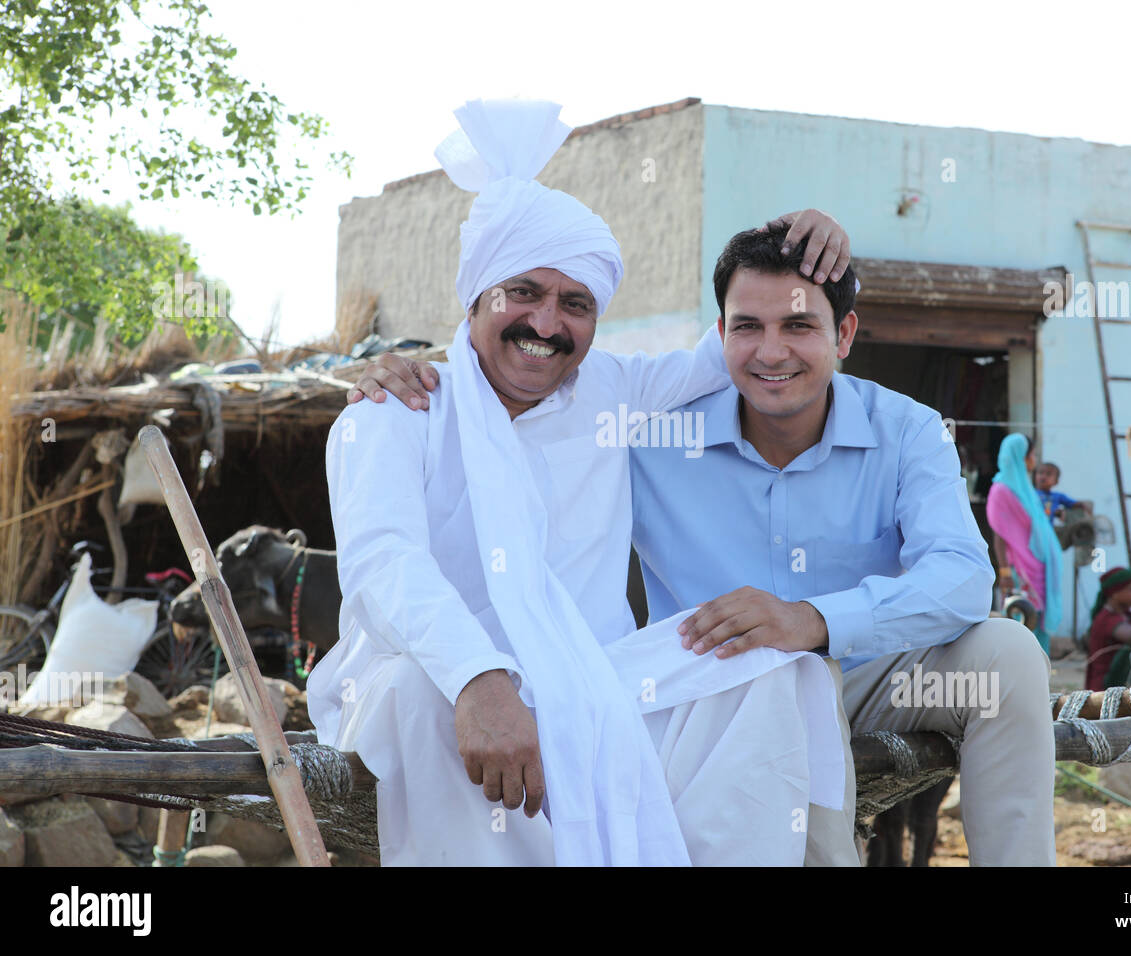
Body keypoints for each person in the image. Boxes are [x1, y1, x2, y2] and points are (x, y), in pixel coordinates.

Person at [362, 224, 1058, 865]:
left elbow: (964, 578)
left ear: (844, 334)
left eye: (799, 326)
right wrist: (427, 377)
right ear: (718, 333)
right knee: (773, 685)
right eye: (748, 326)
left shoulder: (907, 430)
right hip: (710, 698)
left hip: (874, 677)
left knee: (1006, 655)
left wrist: (813, 621)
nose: (772, 351)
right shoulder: (645, 435)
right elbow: (524, 412)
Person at [307, 99, 854, 866]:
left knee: (767, 667)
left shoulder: (608, 393)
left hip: (595, 680)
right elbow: (385, 564)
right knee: (413, 694)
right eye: (521, 292)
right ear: (477, 298)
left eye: (575, 304)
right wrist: (479, 678)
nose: (546, 322)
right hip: (437, 681)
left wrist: (802, 239)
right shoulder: (397, 411)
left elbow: (731, 346)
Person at [986, 433, 1062, 654]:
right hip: (1018, 571)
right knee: (1020, 622)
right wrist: (1005, 572)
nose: (1034, 458)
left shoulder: (1025, 489)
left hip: (1038, 569)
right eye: (1032, 453)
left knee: (1038, 624)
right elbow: (999, 535)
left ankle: (1040, 679)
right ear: (1023, 455)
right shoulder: (1001, 491)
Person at [1085, 567, 1131, 690]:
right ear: (1115, 593)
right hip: (1104, 689)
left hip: (1118, 685)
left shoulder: (1127, 614)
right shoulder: (1106, 619)